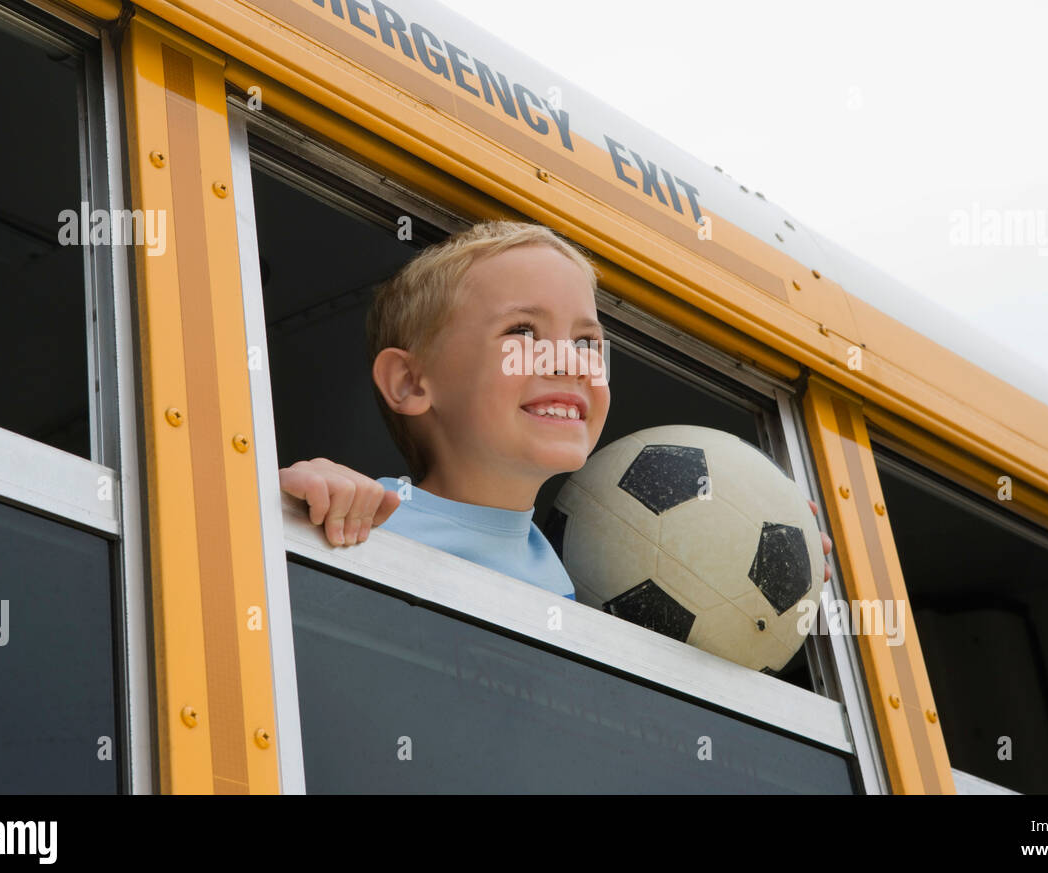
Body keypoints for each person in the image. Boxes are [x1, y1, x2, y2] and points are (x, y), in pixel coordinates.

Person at [278, 220, 833, 602]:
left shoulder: (591, 579)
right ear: (412, 382)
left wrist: (759, 557)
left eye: (588, 342)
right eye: (522, 331)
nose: (570, 362)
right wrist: (288, 497)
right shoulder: (360, 518)